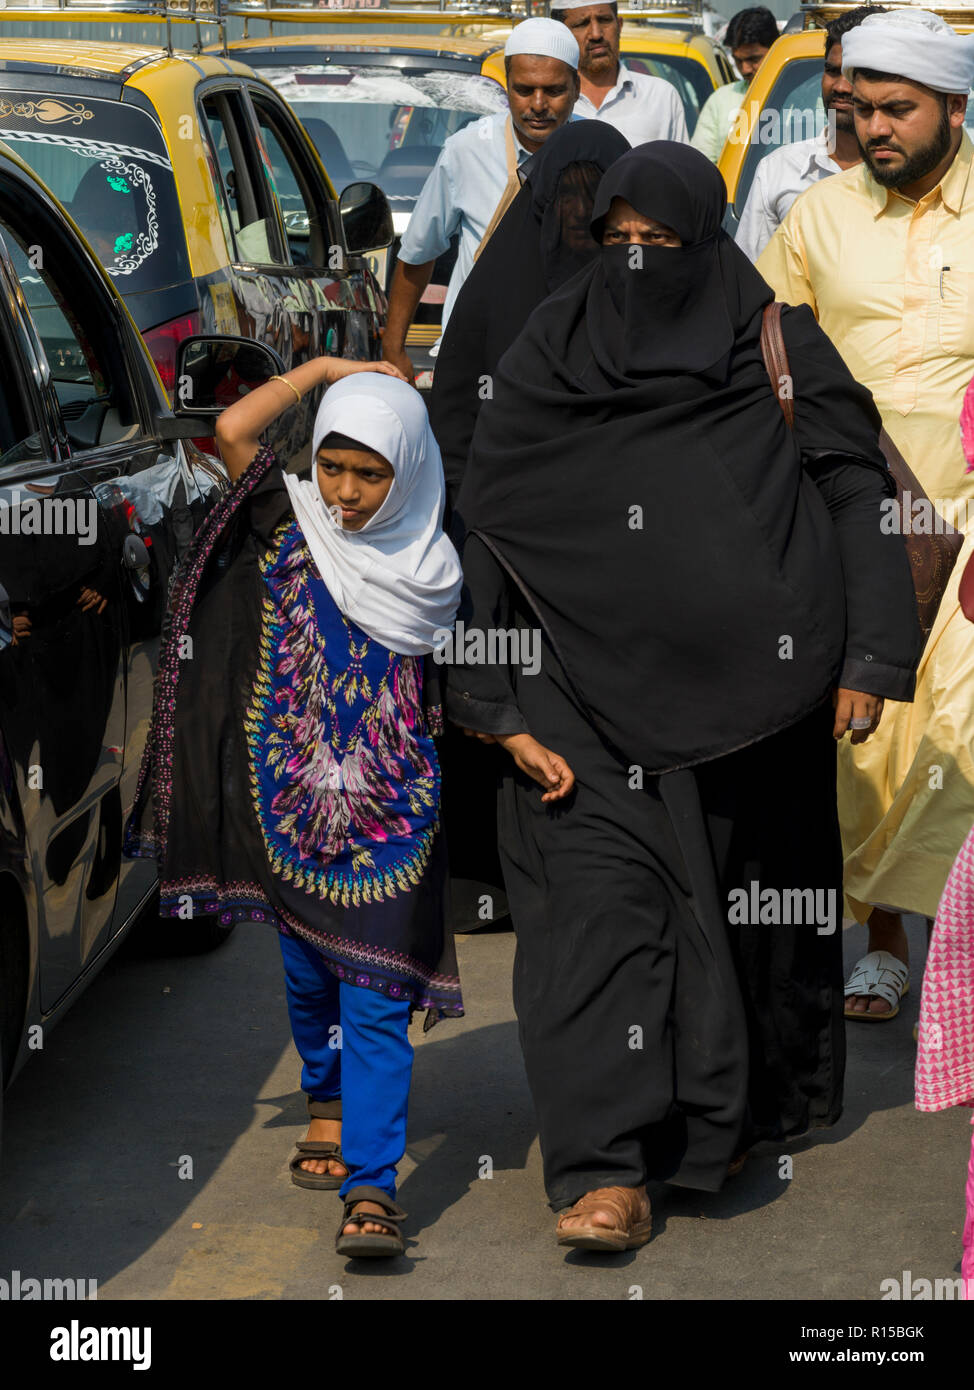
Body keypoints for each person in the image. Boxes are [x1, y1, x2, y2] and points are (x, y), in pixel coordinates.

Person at [447, 142, 921, 1249]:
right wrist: (487, 697)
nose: (633, 264)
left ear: (704, 244)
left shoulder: (773, 345)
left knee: (718, 925)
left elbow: (857, 490)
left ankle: (706, 1134)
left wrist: (866, 660)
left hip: (746, 709)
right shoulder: (548, 348)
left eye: (659, 245)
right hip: (565, 689)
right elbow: (489, 519)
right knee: (593, 929)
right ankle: (604, 1170)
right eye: (614, 242)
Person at [125, 356, 463, 1258]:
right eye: (332, 467)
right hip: (290, 805)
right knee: (311, 975)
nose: (346, 492)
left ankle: (373, 1187)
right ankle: (325, 1096)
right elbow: (232, 434)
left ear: (410, 473)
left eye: (370, 473)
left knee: (378, 985)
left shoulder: (436, 566)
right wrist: (322, 367)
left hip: (395, 813)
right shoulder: (289, 524)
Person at [757, 8, 974, 1022]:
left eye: (897, 109)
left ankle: (951, 943)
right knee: (863, 735)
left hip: (969, 522)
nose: (873, 127)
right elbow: (760, 358)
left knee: (958, 735)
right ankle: (880, 941)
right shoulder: (816, 219)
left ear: (952, 107)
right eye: (861, 108)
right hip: (848, 517)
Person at [429, 119, 629, 505]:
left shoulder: (638, 286)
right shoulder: (498, 283)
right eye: (565, 194)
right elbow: (456, 413)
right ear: (543, 196)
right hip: (508, 505)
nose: (579, 210)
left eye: (595, 193)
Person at [383, 18, 581, 380]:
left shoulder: (597, 151)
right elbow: (418, 253)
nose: (538, 104)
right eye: (524, 90)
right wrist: (394, 350)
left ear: (576, 87)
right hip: (476, 358)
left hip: (568, 361)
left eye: (553, 90)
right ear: (507, 86)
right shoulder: (467, 150)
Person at [736, 6, 886, 263]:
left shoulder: (918, 174)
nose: (840, 86)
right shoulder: (777, 170)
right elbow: (749, 278)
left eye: (855, 73)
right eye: (831, 70)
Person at [551, 1, 688, 144]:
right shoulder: (546, 103)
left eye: (604, 20)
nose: (596, 34)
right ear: (561, 35)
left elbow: (680, 165)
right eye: (582, 24)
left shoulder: (661, 97)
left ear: (619, 25)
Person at [691, 6, 779, 163]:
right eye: (738, 60)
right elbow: (699, 165)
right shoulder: (720, 101)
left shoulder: (806, 98)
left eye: (754, 59)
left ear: (777, 49)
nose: (744, 69)